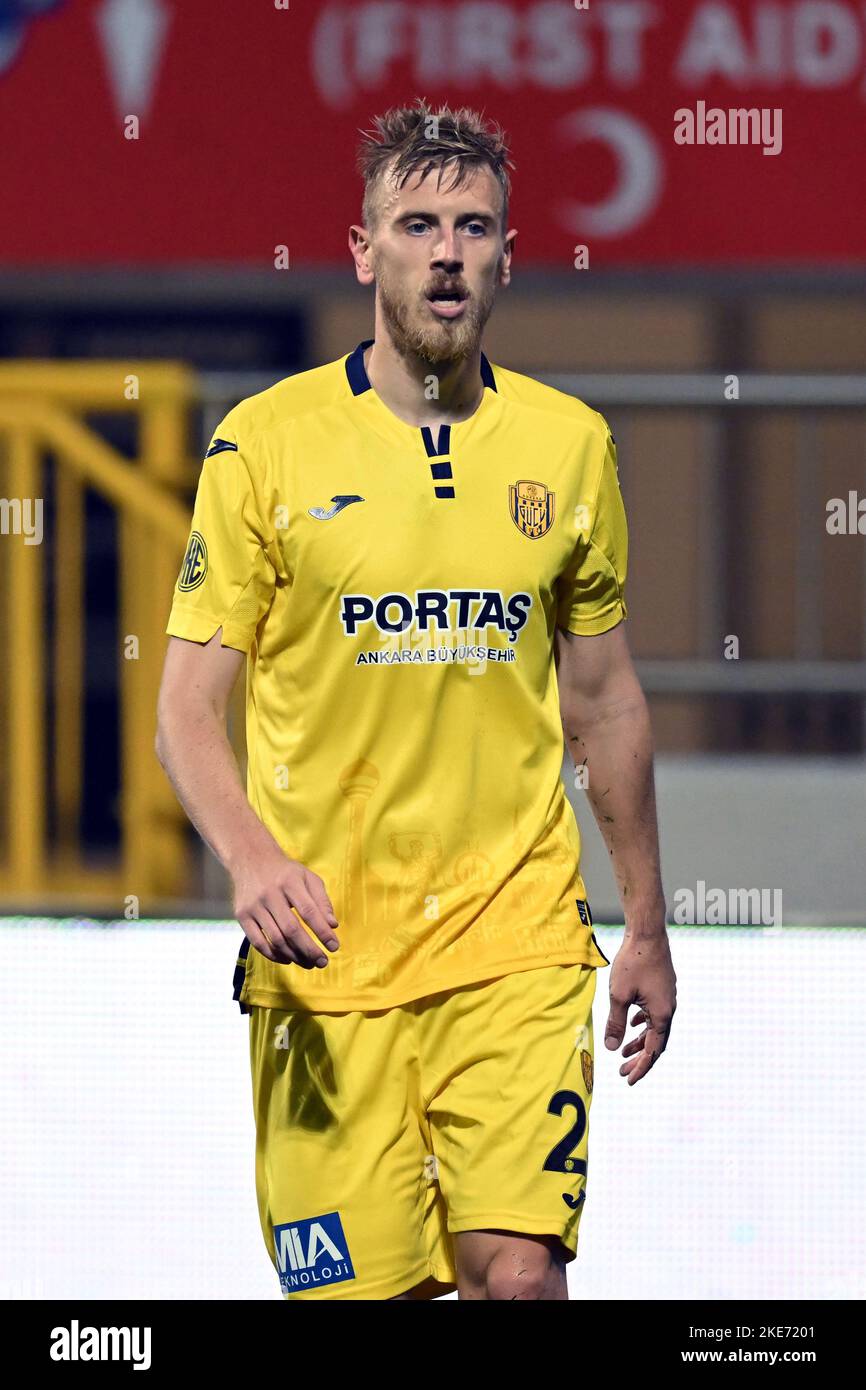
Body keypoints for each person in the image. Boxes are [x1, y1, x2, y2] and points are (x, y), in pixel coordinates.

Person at [155, 98, 676, 1301]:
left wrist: (643, 917)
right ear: (362, 250)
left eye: (473, 226)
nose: (445, 251)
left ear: (507, 255)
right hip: (326, 962)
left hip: (515, 941)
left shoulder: (567, 446)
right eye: (417, 223)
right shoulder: (262, 446)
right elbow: (186, 710)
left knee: (519, 1276)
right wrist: (247, 861)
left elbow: (602, 702)